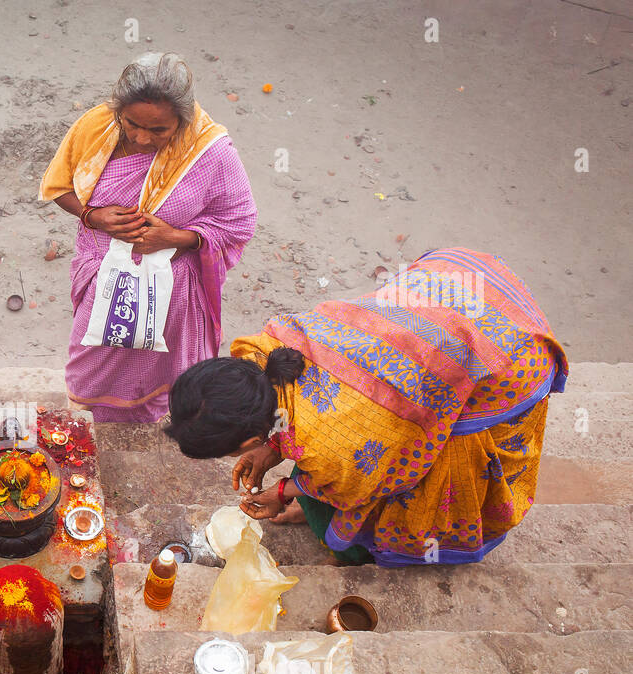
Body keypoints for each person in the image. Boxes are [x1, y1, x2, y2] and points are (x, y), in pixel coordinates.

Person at [163, 248, 568, 567]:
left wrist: (293, 491)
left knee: (417, 484)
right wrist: (271, 447)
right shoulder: (267, 348)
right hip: (463, 279)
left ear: (250, 437)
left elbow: (363, 481)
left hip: (509, 361)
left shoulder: (336, 445)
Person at [39, 51, 257, 423]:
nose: (141, 138)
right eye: (131, 124)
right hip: (104, 278)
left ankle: (145, 421)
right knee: (92, 368)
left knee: (156, 372)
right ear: (118, 112)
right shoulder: (95, 126)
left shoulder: (210, 152)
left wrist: (175, 237)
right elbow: (57, 185)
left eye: (159, 130)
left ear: (182, 122)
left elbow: (239, 221)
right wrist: (92, 216)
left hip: (171, 290)